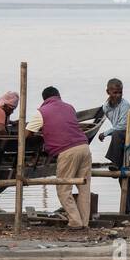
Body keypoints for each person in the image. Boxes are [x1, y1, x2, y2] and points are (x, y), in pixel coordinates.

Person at [37, 87, 94, 229]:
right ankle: (84, 223)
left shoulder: (41, 112)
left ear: (44, 99)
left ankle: (75, 221)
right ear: (59, 96)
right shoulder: (70, 107)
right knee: (84, 188)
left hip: (67, 152)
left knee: (63, 188)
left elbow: (27, 133)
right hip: (84, 147)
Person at [97, 78, 130, 214]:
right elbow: (113, 124)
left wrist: (106, 132)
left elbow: (122, 126)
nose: (118, 95)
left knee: (117, 133)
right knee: (124, 175)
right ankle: (127, 210)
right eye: (115, 92)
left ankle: (114, 162)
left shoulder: (125, 105)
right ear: (108, 92)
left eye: (120, 92)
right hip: (120, 141)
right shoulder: (106, 107)